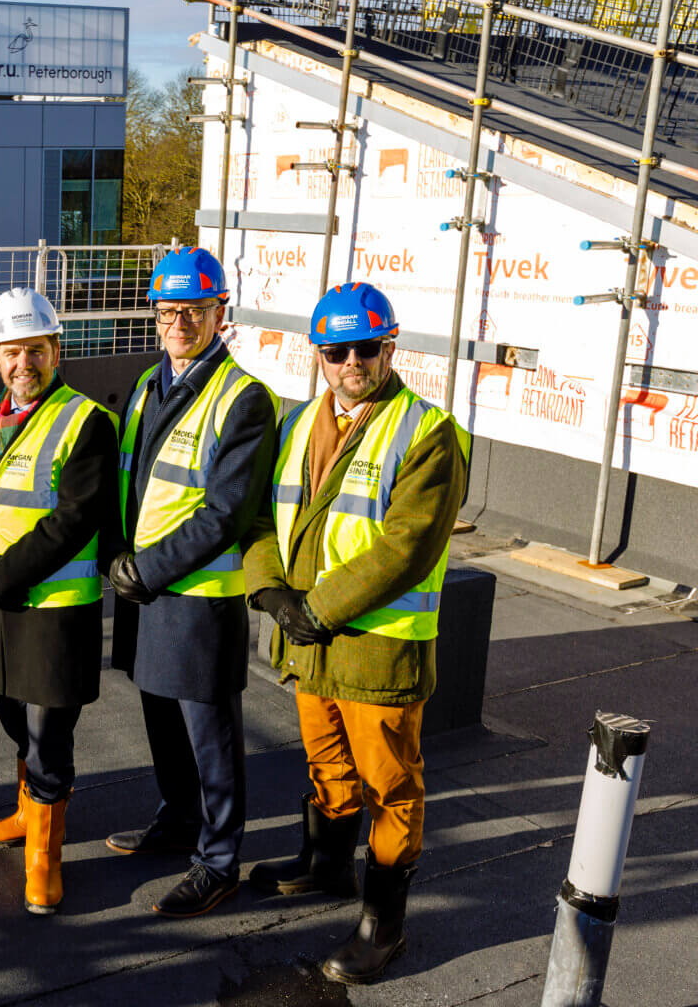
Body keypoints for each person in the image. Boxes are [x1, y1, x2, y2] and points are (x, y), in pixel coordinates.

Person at [243, 281, 469, 984]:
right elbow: (260, 518)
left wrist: (316, 609)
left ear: (389, 348)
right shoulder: (298, 423)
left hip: (374, 650)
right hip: (313, 648)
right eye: (336, 350)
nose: (351, 362)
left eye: (365, 348)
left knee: (391, 788)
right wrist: (269, 589)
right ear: (317, 354)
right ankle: (325, 865)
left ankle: (383, 927)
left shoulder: (428, 432)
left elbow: (406, 546)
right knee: (328, 768)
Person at [105, 246, 278, 917]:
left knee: (211, 738)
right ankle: (177, 820)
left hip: (196, 598)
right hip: (148, 594)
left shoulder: (243, 399)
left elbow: (225, 513)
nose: (180, 322)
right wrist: (122, 556)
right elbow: (135, 486)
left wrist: (142, 568)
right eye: (170, 310)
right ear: (155, 315)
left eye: (196, 311)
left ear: (220, 314)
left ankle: (219, 860)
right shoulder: (152, 384)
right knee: (161, 718)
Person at [0, 288, 120, 915]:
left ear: (57, 350)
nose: (23, 363)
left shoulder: (85, 421)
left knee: (48, 734)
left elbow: (77, 517)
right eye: (11, 351)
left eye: (36, 350)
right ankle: (28, 815)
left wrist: (3, 577)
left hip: (53, 608)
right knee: (10, 719)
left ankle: (45, 859)